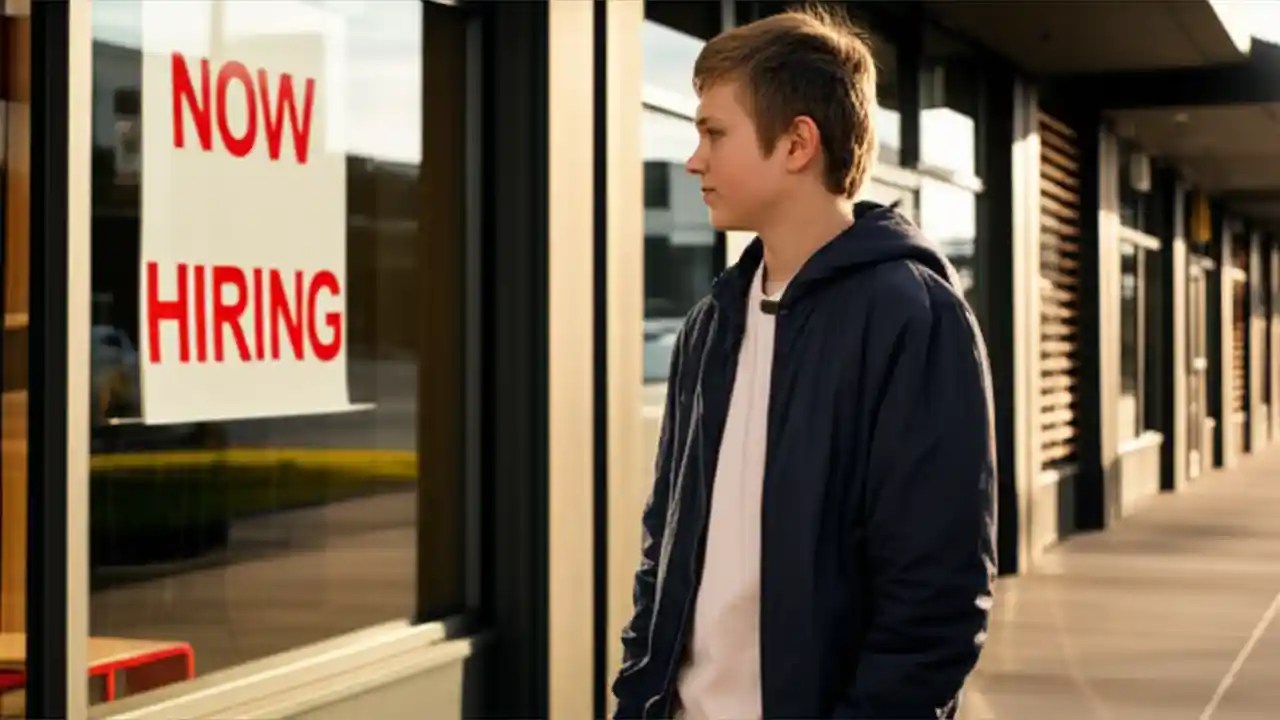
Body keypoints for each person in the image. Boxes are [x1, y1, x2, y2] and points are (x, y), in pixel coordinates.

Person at [612, 6, 996, 720]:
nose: (695, 159)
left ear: (796, 144)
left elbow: (934, 602)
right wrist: (638, 694)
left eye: (714, 133)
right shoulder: (711, 323)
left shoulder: (914, 319)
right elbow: (664, 546)